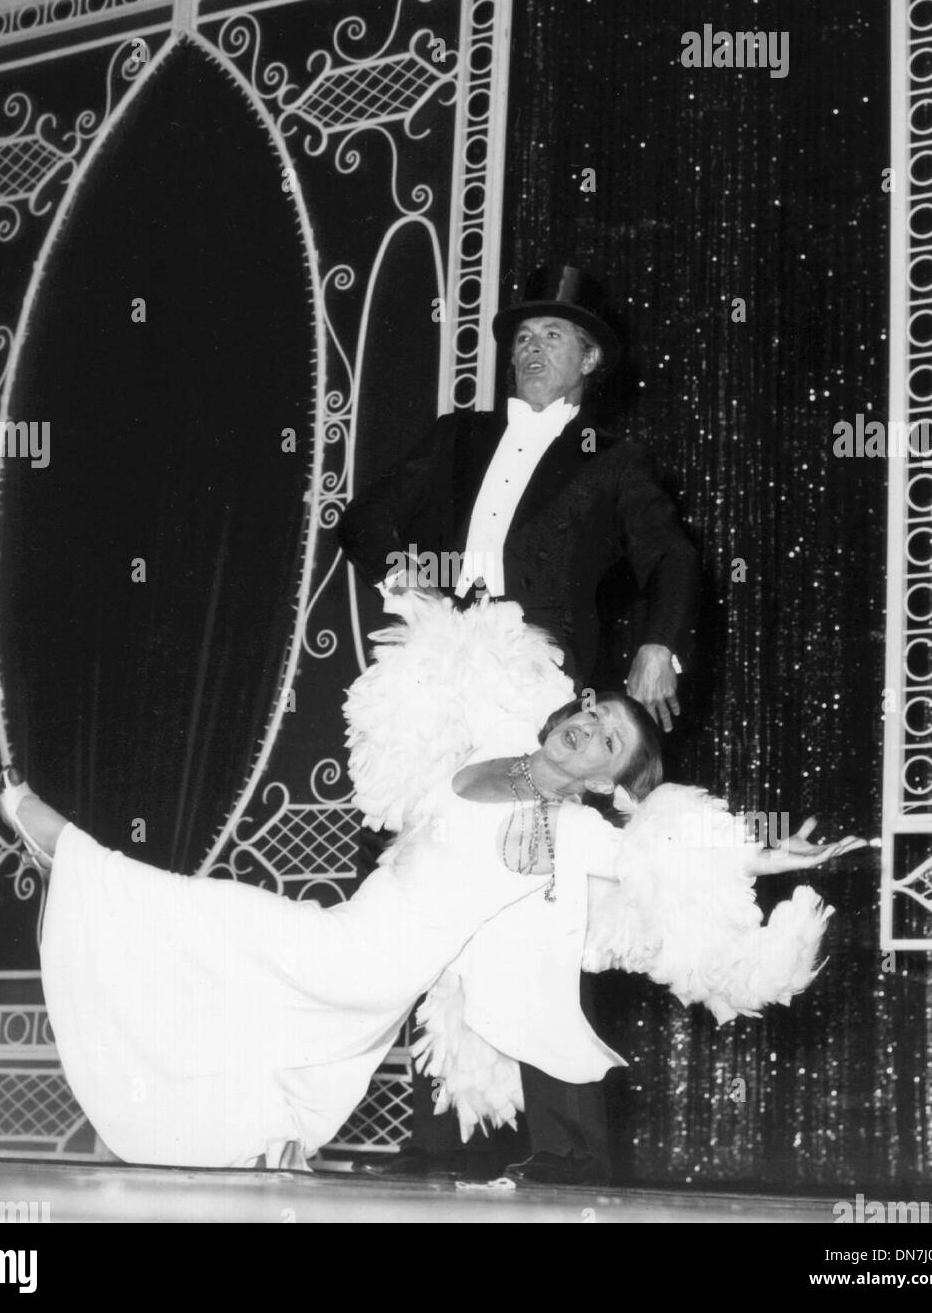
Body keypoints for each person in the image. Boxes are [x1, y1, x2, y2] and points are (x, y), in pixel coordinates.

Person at [0, 596, 863, 1174]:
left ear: (608, 781)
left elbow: (667, 855)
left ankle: (81, 867)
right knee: (231, 952)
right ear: (565, 714)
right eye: (591, 717)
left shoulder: (577, 830)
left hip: (376, 973)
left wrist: (766, 853)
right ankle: (90, 878)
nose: (589, 732)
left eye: (606, 746)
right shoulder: (488, 758)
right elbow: (479, 734)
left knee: (245, 964)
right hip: (350, 939)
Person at [337, 264, 701, 1184]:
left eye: (554, 337)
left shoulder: (613, 460)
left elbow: (673, 558)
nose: (532, 347)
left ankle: (571, 1152)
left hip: (540, 699)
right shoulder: (461, 437)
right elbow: (363, 522)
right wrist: (410, 584)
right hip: (442, 683)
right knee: (430, 895)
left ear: (588, 360)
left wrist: (659, 647)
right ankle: (445, 1142)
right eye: (521, 335)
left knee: (538, 906)